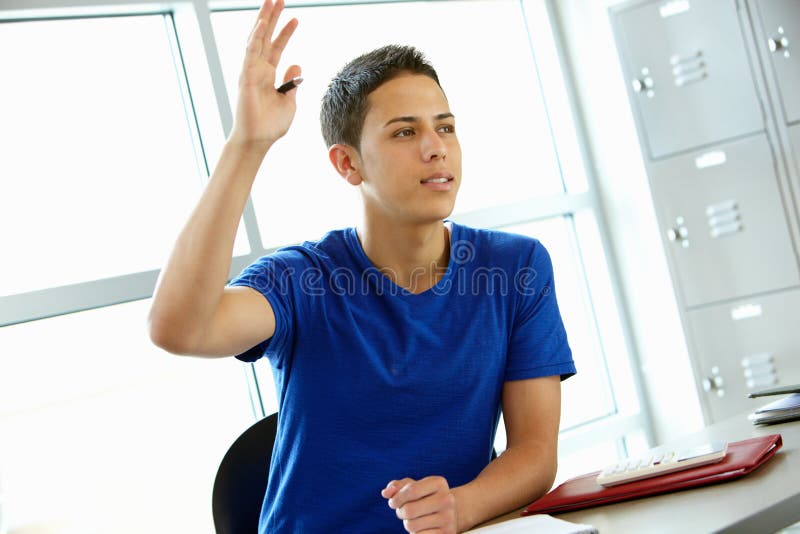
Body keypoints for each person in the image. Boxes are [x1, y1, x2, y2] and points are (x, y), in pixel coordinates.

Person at [148, 0, 576, 531]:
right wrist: (247, 144)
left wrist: (460, 506)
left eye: (445, 127)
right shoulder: (301, 278)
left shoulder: (516, 269)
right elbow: (179, 328)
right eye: (403, 132)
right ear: (348, 163)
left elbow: (535, 452)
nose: (435, 148)